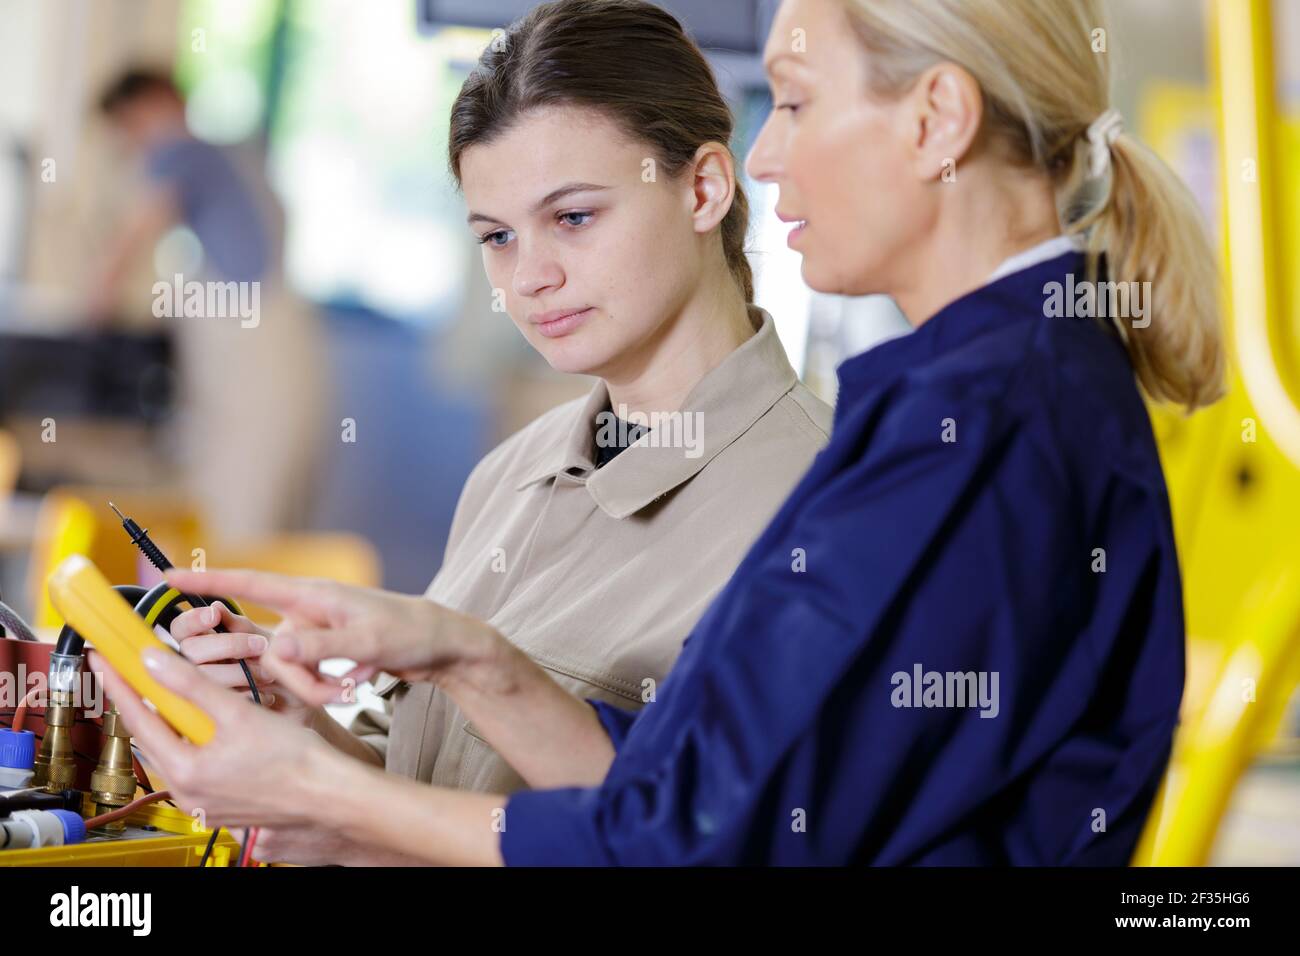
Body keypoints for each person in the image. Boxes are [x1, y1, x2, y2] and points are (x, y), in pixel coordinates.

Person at [99, 0, 1224, 865]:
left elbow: (695, 838)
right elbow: (711, 794)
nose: (771, 153)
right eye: (494, 234)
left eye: (794, 100)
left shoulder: (971, 426)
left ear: (934, 119)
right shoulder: (988, 390)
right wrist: (460, 664)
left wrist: (327, 795)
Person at [157, 0, 831, 864]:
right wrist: (296, 731)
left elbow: (718, 843)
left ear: (704, 187)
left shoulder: (817, 505)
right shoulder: (510, 475)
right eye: (498, 237)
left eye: (575, 217)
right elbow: (417, 791)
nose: (531, 277)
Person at [91, 68, 327, 540]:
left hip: (251, 370)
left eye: (128, 129)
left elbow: (128, 244)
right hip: (289, 357)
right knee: (257, 516)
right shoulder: (233, 156)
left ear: (152, 105)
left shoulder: (182, 153)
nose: (132, 148)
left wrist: (93, 310)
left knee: (232, 517)